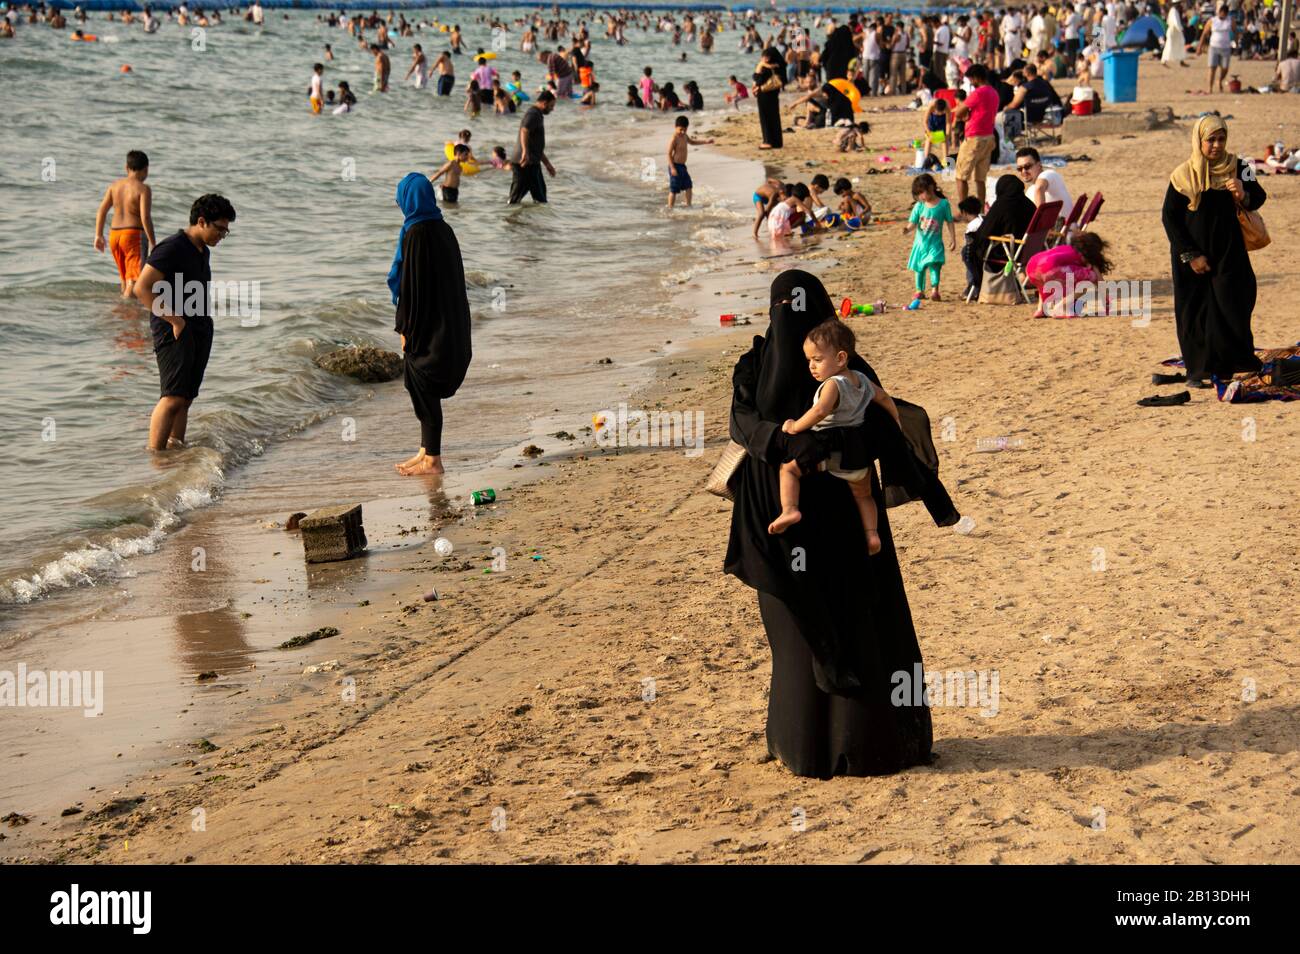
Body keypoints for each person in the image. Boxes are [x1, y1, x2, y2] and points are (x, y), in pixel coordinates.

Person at [725, 269, 953, 779]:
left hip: (781, 519)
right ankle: (875, 743)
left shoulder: (757, 363)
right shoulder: (846, 365)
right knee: (865, 621)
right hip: (849, 514)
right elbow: (882, 424)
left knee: (797, 631)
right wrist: (823, 446)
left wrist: (786, 444)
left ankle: (802, 746)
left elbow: (742, 425)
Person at [771, 318, 901, 556]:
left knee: (788, 470)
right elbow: (883, 398)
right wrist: (896, 422)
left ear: (840, 358)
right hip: (858, 453)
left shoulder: (833, 384)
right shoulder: (861, 380)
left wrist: (795, 426)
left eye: (817, 360)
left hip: (830, 450)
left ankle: (790, 509)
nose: (811, 366)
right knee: (864, 495)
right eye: (809, 360)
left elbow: (820, 411)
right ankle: (871, 533)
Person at [1162, 115, 1266, 388]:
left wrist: (1243, 194)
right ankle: (1199, 370)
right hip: (1191, 256)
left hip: (1228, 251)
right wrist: (1190, 255)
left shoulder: (1239, 167)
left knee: (1235, 302)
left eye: (1221, 139)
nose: (1217, 145)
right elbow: (1170, 218)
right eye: (1211, 140)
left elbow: (1259, 197)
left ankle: (1233, 363)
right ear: (1199, 141)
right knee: (1193, 311)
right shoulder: (1183, 174)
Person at [133, 194, 235, 452]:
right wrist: (175, 320)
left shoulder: (202, 251)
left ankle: (176, 451)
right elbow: (142, 288)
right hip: (174, 329)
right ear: (202, 221)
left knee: (186, 399)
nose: (222, 235)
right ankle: (156, 456)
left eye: (226, 231)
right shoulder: (172, 247)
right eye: (220, 229)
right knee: (171, 397)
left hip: (199, 327)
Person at [386, 174, 471, 476]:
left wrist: (405, 329)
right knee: (419, 381)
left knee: (420, 378)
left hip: (430, 328)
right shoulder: (443, 229)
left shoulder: (416, 233)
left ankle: (433, 459)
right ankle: (426, 450)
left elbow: (412, 288)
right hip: (450, 325)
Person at [94, 150, 155, 298]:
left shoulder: (114, 186)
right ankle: (129, 312)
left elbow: (101, 211)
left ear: (126, 168)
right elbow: (145, 217)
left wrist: (98, 235)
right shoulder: (143, 189)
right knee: (134, 282)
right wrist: (153, 242)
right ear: (146, 169)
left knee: (124, 279)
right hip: (133, 236)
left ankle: (122, 314)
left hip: (114, 235)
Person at [1025, 230, 1114, 317]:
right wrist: (1106, 301)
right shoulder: (1085, 257)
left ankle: (1041, 309)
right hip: (1050, 269)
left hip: (1031, 268)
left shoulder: (1067, 248)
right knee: (1090, 279)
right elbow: (1099, 280)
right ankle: (1061, 307)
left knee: (1043, 279)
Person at [970, 172, 1036, 280]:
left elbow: (985, 231)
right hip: (1029, 251)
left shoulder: (1002, 204)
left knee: (970, 250)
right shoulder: (1030, 205)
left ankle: (978, 286)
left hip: (1007, 252)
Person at [903, 173, 956, 301]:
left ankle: (934, 291)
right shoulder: (919, 205)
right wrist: (907, 229)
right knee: (919, 268)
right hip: (920, 244)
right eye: (918, 194)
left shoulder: (943, 204)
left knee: (935, 267)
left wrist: (953, 239)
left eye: (922, 192)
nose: (921, 196)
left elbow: (949, 221)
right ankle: (919, 290)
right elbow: (913, 222)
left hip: (935, 244)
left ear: (931, 188)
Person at [952, 63, 998, 205]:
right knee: (980, 179)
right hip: (989, 136)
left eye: (971, 79)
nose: (971, 83)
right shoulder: (994, 93)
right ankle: (980, 211)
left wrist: (964, 113)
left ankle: (964, 209)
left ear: (976, 78)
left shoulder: (978, 93)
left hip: (974, 137)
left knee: (961, 176)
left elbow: (959, 113)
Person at [508, 89, 556, 204]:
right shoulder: (533, 114)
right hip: (525, 162)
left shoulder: (537, 114)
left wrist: (547, 164)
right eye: (551, 106)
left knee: (539, 196)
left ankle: (530, 220)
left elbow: (536, 145)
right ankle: (511, 219)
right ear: (544, 103)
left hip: (531, 162)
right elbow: (524, 130)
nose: (552, 109)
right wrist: (525, 152)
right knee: (518, 198)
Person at [1015, 146, 1073, 222]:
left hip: (1061, 232)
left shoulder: (1049, 174)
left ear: (1039, 165)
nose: (1023, 171)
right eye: (1020, 168)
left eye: (1027, 166)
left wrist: (1040, 221)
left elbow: (1039, 188)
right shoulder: (1031, 190)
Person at [667, 115, 713, 209]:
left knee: (688, 186)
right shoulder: (674, 138)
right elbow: (668, 154)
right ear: (675, 127)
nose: (682, 132)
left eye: (685, 130)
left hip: (682, 166)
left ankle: (689, 205)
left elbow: (692, 142)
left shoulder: (684, 136)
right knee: (674, 189)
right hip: (675, 166)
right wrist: (672, 168)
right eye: (680, 130)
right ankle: (670, 208)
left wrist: (706, 141)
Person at [753, 48, 785, 150]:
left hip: (764, 94)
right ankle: (777, 142)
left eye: (765, 56)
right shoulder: (780, 65)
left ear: (769, 57)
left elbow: (758, 79)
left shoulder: (765, 67)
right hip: (774, 94)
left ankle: (767, 141)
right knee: (775, 117)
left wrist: (759, 66)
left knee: (765, 118)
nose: (763, 58)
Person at [1196, 5, 1234, 93]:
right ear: (1219, 12)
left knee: (1225, 67)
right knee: (1212, 67)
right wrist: (1199, 47)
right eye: (1221, 13)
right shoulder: (1212, 21)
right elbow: (1204, 34)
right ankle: (1210, 88)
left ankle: (1220, 80)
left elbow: (1235, 31)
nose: (1223, 15)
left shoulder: (1230, 20)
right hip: (1213, 47)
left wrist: (1235, 43)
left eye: (1224, 14)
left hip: (1226, 47)